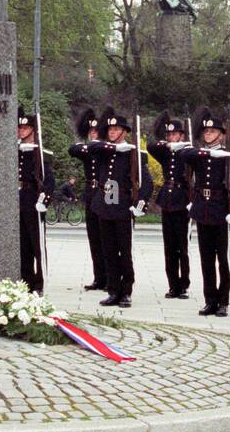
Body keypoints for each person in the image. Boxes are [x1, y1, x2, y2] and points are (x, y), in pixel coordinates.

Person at [91, 109, 151, 308]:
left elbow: (146, 183)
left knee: (124, 250)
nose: (112, 133)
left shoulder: (134, 154)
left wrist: (140, 204)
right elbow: (91, 147)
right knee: (107, 250)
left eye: (116, 129)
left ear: (124, 132)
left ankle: (126, 291)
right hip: (104, 203)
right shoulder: (103, 150)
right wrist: (113, 148)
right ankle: (113, 289)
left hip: (123, 203)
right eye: (110, 129)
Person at [181, 107, 230, 316]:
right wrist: (205, 151)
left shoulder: (228, 157)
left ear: (222, 134)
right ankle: (210, 300)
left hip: (220, 209)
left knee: (222, 260)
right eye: (206, 132)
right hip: (202, 209)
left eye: (213, 132)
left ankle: (223, 301)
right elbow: (184, 153)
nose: (209, 135)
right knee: (206, 259)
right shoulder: (200, 154)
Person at [147, 111, 193, 299]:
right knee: (169, 246)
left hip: (183, 199)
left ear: (182, 135)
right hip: (167, 199)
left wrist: (185, 146)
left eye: (175, 135)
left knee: (182, 247)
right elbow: (151, 147)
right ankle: (173, 284)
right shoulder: (166, 153)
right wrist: (167, 144)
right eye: (169, 135)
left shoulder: (187, 152)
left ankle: (184, 285)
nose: (172, 137)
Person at [68, 108, 108, 291]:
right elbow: (73, 149)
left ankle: (110, 278)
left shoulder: (106, 149)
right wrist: (88, 145)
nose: (94, 134)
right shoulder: (87, 149)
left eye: (97, 131)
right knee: (94, 239)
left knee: (105, 238)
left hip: (105, 194)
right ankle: (99, 277)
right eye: (91, 131)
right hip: (91, 194)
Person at [17, 107, 55, 293]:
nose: (21, 131)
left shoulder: (40, 153)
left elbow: (50, 181)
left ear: (33, 130)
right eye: (19, 128)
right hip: (19, 200)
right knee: (23, 246)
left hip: (34, 201)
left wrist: (44, 201)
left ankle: (40, 283)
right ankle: (26, 281)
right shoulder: (16, 151)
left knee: (37, 245)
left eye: (25, 128)